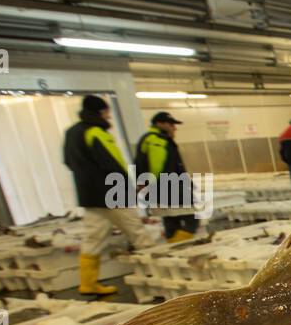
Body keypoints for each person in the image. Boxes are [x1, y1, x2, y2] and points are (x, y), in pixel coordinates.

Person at [63, 94, 157, 295]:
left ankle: (87, 283)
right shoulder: (97, 133)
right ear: (100, 112)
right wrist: (128, 188)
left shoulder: (72, 133)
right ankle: (155, 275)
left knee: (93, 237)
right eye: (107, 112)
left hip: (90, 196)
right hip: (111, 194)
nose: (109, 116)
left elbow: (68, 162)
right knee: (137, 233)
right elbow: (112, 163)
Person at [135, 111, 196, 244]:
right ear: (160, 124)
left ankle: (175, 252)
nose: (174, 128)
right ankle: (177, 248)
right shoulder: (157, 140)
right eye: (171, 124)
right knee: (192, 220)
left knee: (171, 222)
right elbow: (158, 166)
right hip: (169, 187)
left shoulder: (152, 139)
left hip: (162, 188)